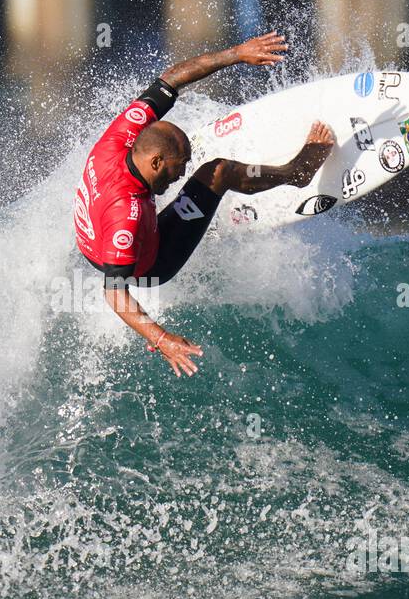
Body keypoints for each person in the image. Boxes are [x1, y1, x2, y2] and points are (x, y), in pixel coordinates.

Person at [73, 31, 337, 377]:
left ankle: (199, 219)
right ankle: (297, 172)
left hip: (92, 239)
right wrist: (161, 338)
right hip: (150, 263)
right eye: (177, 167)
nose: (182, 173)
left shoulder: (120, 137)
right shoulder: (128, 215)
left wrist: (237, 54)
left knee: (191, 192)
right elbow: (113, 291)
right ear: (154, 162)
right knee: (217, 172)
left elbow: (169, 80)